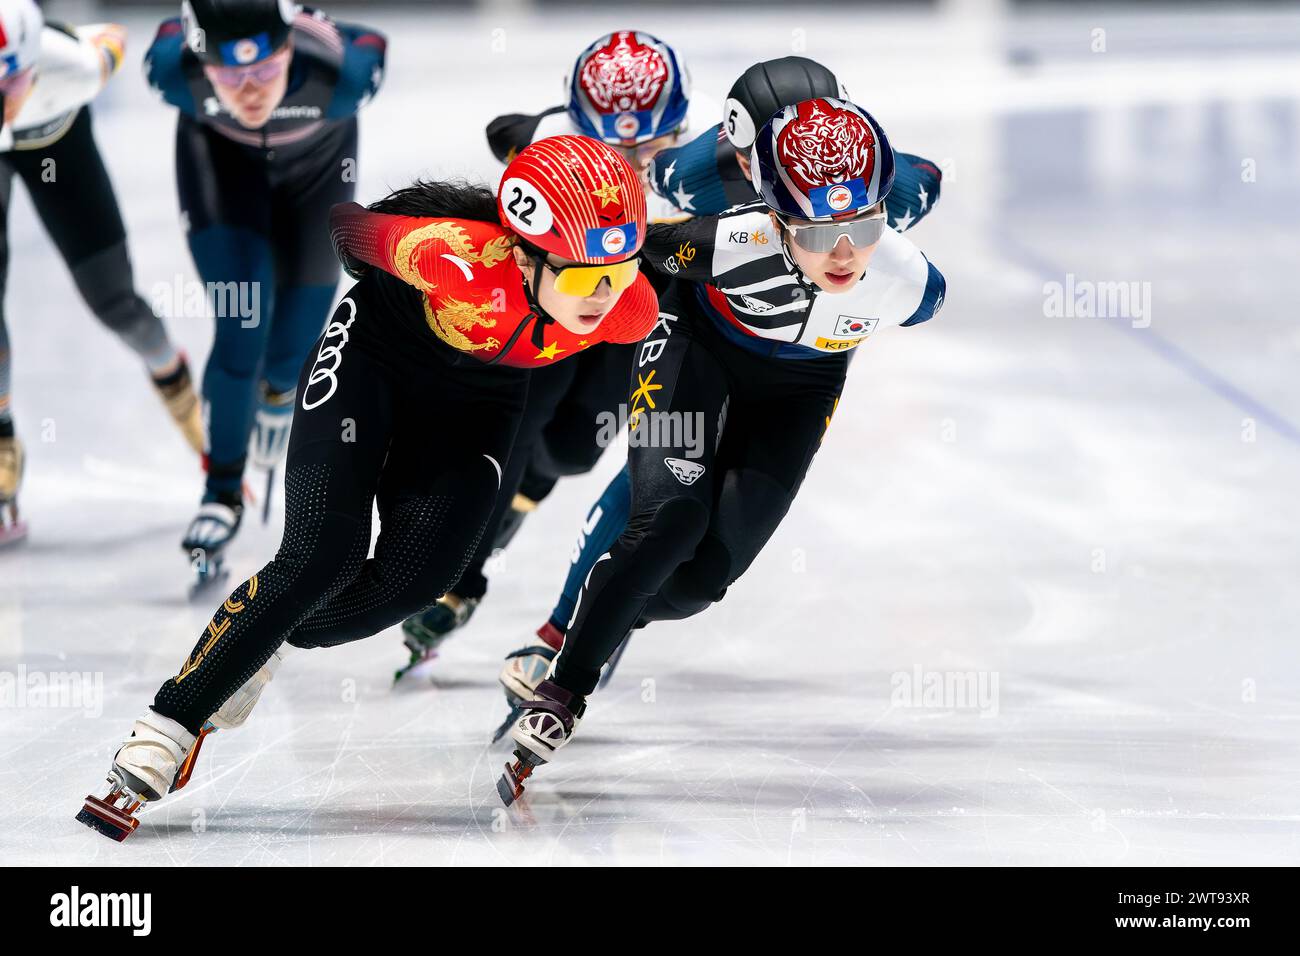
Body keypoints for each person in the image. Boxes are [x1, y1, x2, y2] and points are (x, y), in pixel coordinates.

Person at [77, 134, 657, 842]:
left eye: (617, 272)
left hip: (478, 404)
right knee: (323, 554)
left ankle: (259, 644)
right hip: (374, 362)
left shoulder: (630, 305)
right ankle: (171, 720)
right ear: (527, 253)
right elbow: (346, 228)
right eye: (577, 280)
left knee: (415, 582)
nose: (600, 297)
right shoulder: (452, 255)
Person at [496, 98, 947, 804]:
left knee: (699, 584)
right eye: (820, 228)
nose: (844, 252)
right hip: (693, 352)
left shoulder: (911, 282)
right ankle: (564, 686)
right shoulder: (721, 242)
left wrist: (911, 186)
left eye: (863, 223)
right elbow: (623, 235)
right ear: (773, 216)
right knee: (666, 525)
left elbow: (924, 179)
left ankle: (612, 609)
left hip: (800, 388)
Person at [397, 29, 698, 672]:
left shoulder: (699, 172)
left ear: (681, 128)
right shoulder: (545, 141)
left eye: (652, 144)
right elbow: (505, 134)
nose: (634, 158)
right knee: (512, 435)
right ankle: (463, 578)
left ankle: (505, 521)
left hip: (629, 312)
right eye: (613, 144)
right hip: (550, 309)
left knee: (570, 451)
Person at [144, 0, 385, 584]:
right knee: (242, 324)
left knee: (294, 350)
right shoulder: (172, 71)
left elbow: (368, 37)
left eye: (266, 71)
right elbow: (167, 33)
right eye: (230, 76)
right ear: (203, 65)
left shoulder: (341, 77)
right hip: (223, 175)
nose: (250, 92)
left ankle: (278, 393)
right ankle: (222, 491)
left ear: (288, 50)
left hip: (318, 175)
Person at [0, 0, 205, 545]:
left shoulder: (76, 65)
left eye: (5, 89)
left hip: (56, 139)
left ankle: (177, 385)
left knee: (114, 302)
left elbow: (110, 36)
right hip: (40, 119)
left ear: (33, 67)